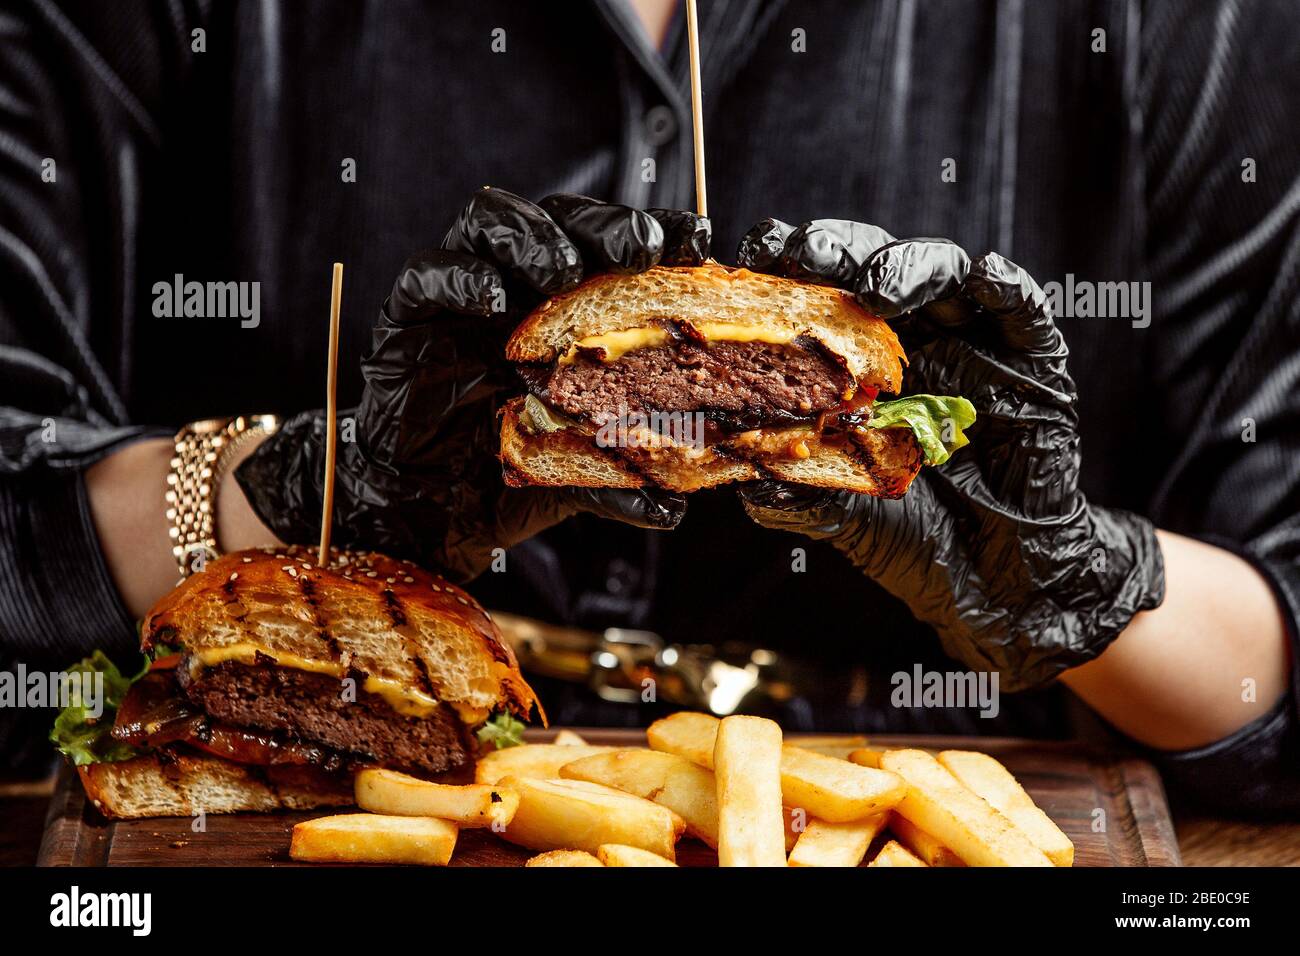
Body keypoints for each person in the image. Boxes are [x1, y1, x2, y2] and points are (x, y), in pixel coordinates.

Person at [1, 0, 1296, 813]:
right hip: (318, 810)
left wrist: (1071, 576)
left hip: (942, 804)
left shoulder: (1190, 24)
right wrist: (293, 490)